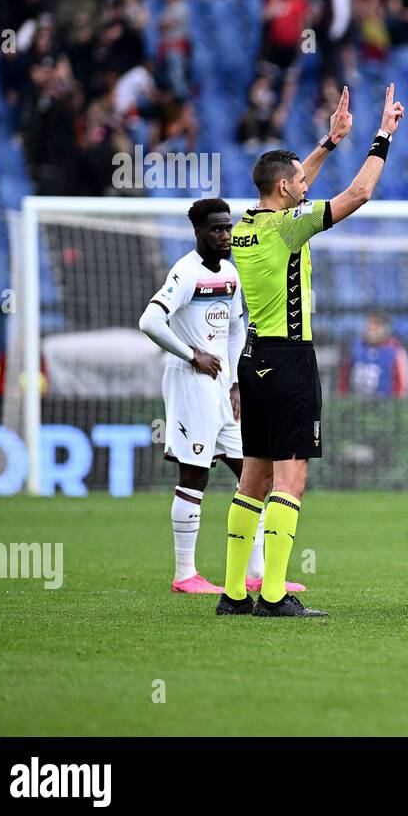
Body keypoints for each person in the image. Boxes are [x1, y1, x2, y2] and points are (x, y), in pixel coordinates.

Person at [216, 82, 405, 618]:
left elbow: (293, 190)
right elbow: (359, 195)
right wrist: (380, 137)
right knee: (291, 478)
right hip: (290, 360)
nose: (306, 184)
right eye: (299, 179)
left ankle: (234, 594)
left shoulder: (247, 223)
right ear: (284, 187)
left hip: (252, 360)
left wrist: (327, 143)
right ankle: (274, 596)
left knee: (254, 475)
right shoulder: (287, 228)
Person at [139, 199, 288, 595]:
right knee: (195, 474)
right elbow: (149, 320)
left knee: (254, 474)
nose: (225, 236)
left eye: (228, 228)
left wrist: (238, 381)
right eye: (217, 229)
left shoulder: (230, 274)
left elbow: (239, 328)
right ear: (198, 232)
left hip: (222, 385)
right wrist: (192, 354)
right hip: (190, 381)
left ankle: (257, 572)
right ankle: (185, 574)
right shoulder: (185, 272)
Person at [338, 314, 408, 398]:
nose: (372, 331)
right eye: (369, 326)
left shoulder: (395, 351)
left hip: (385, 402)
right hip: (357, 401)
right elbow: (344, 376)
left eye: (376, 327)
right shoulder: (355, 348)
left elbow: (403, 384)